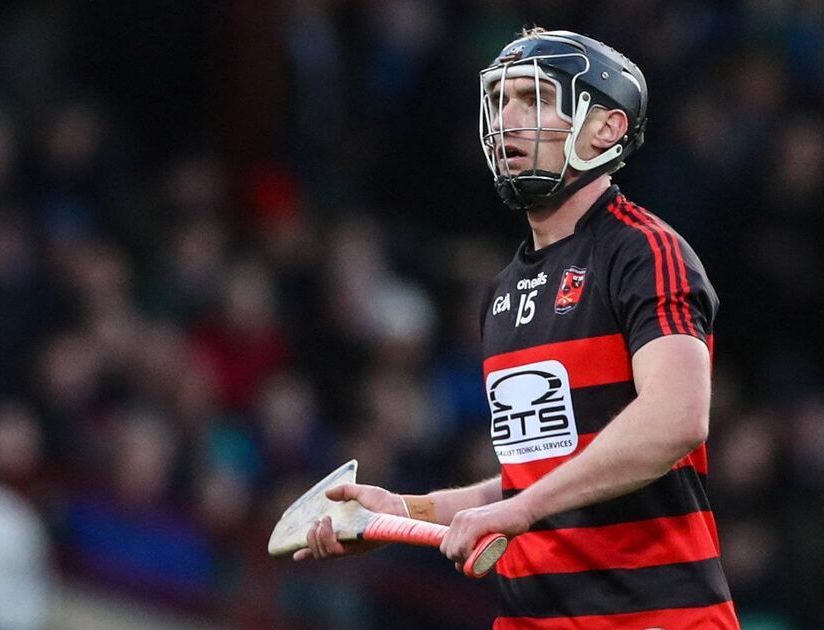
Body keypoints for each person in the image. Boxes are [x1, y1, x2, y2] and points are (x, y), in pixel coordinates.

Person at [297, 27, 738, 628]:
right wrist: (402, 511)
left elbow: (675, 420)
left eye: (534, 99)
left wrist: (523, 508)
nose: (507, 118)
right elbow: (526, 480)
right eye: (500, 100)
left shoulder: (645, 252)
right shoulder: (503, 293)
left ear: (606, 128)